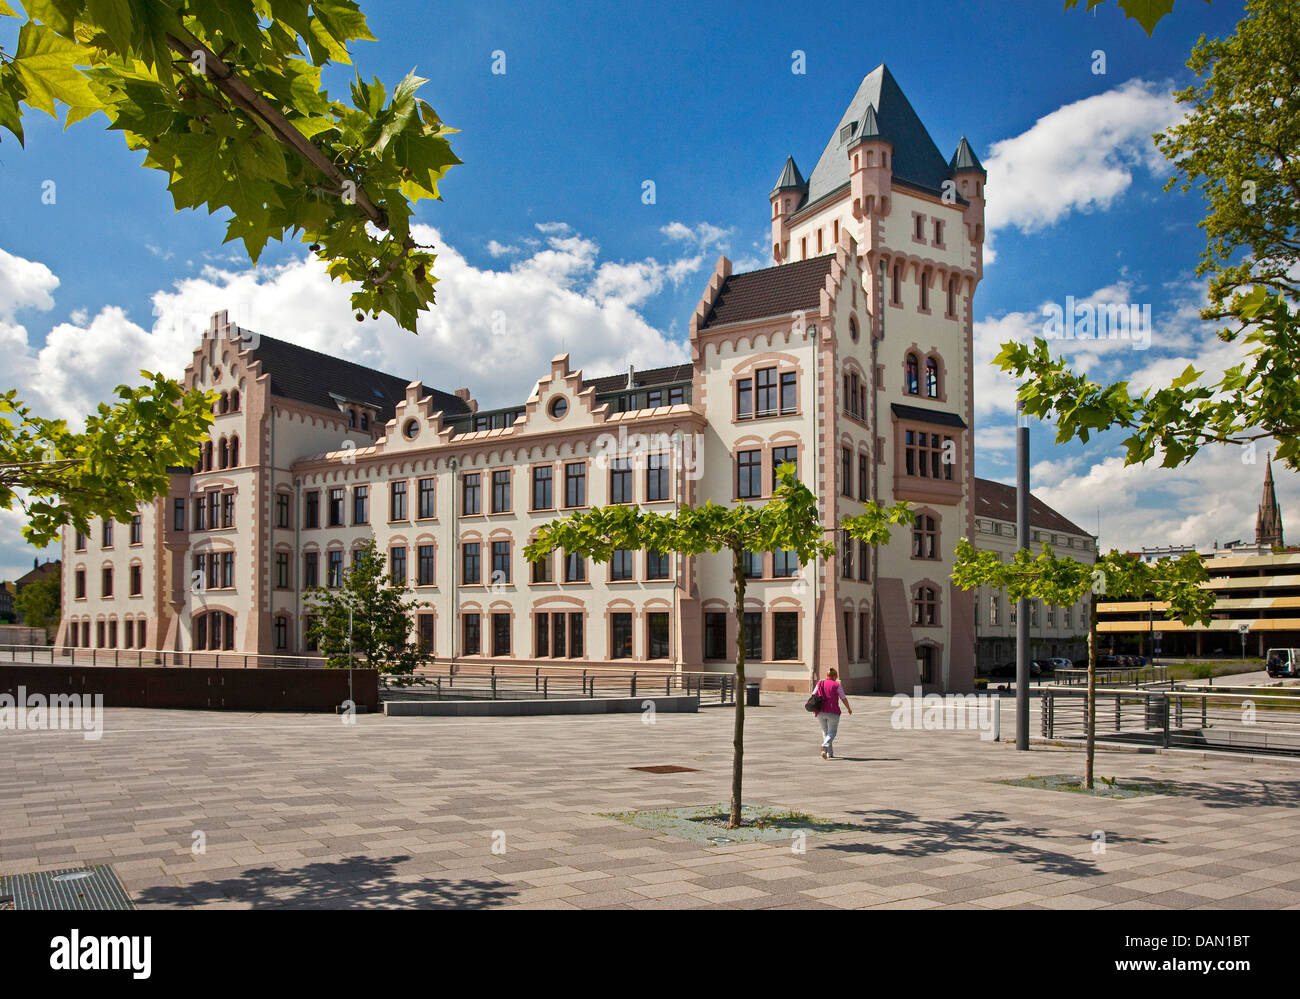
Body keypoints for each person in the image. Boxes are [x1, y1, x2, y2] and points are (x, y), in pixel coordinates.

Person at [812, 667, 851, 759]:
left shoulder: (820, 683)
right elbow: (843, 698)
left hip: (820, 711)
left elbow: (813, 695)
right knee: (832, 732)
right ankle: (825, 745)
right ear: (834, 676)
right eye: (836, 676)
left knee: (825, 732)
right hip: (833, 711)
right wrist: (849, 708)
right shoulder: (836, 685)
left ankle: (829, 753)